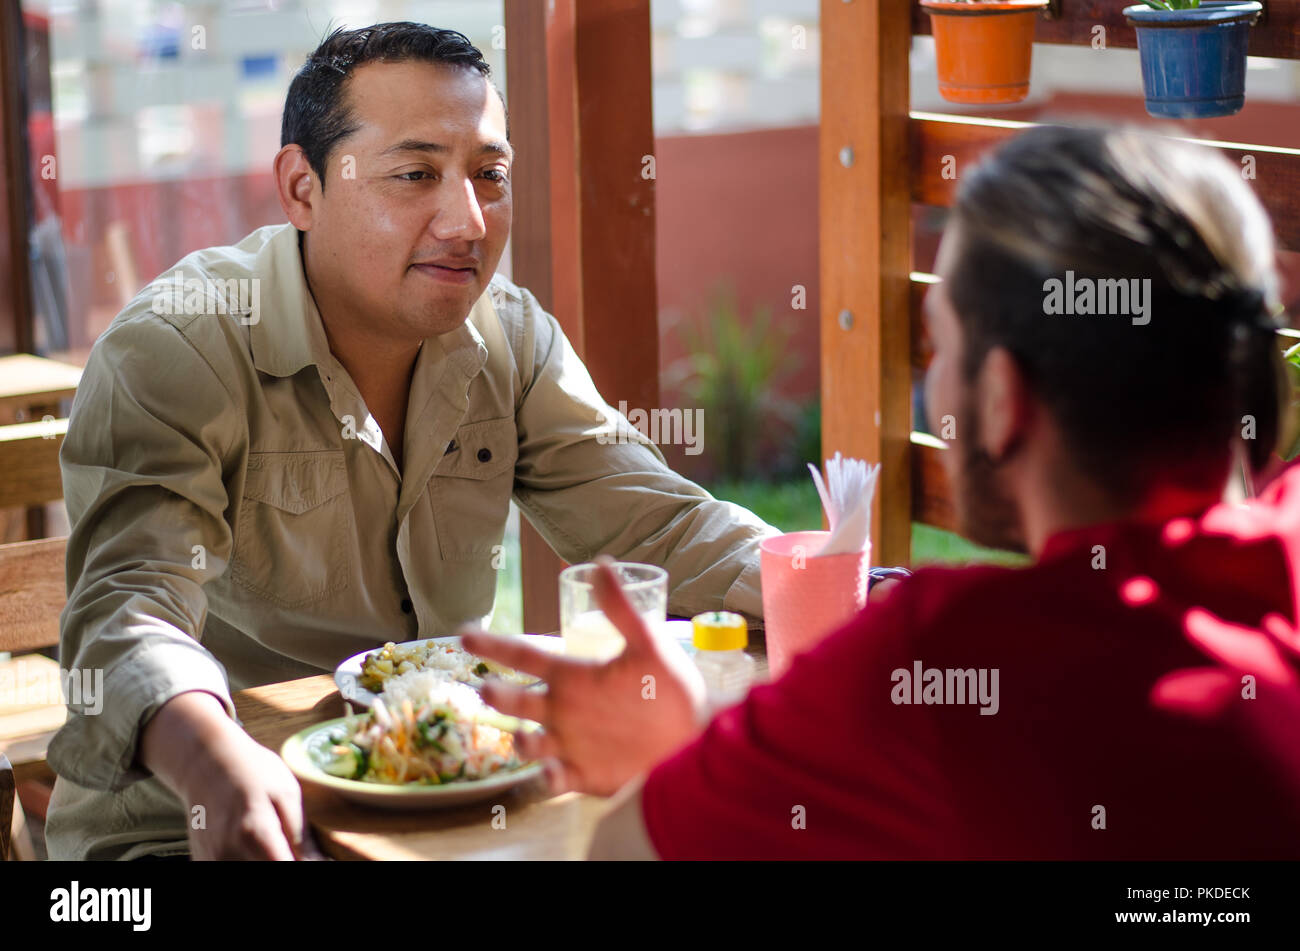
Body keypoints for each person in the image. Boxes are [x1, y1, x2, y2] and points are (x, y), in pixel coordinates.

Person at [463, 124, 1300, 859]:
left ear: (1003, 400)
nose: (932, 386)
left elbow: (624, 853)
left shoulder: (940, 658)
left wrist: (682, 761)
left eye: (939, 346)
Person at [44, 23, 776, 860]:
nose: (467, 220)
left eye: (489, 175)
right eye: (416, 174)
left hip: (443, 808)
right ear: (302, 188)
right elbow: (125, 608)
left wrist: (849, 591)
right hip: (192, 825)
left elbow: (661, 526)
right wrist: (213, 765)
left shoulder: (510, 338)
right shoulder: (182, 345)